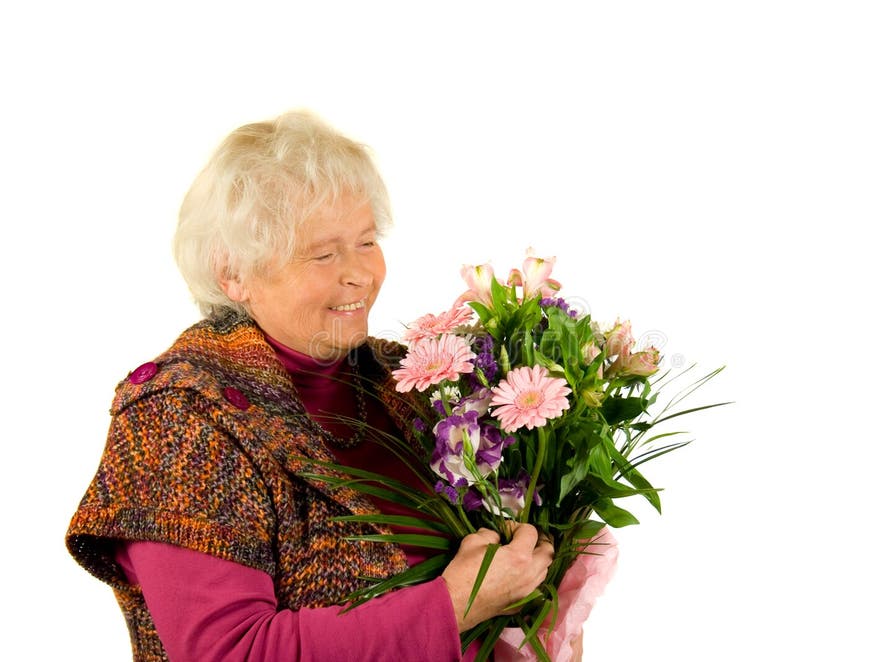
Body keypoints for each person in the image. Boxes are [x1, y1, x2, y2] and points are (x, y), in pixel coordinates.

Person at [65, 110, 562, 661]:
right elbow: (231, 653)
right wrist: (455, 605)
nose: (360, 274)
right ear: (233, 272)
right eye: (323, 254)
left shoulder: (413, 382)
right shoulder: (181, 417)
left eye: (367, 242)